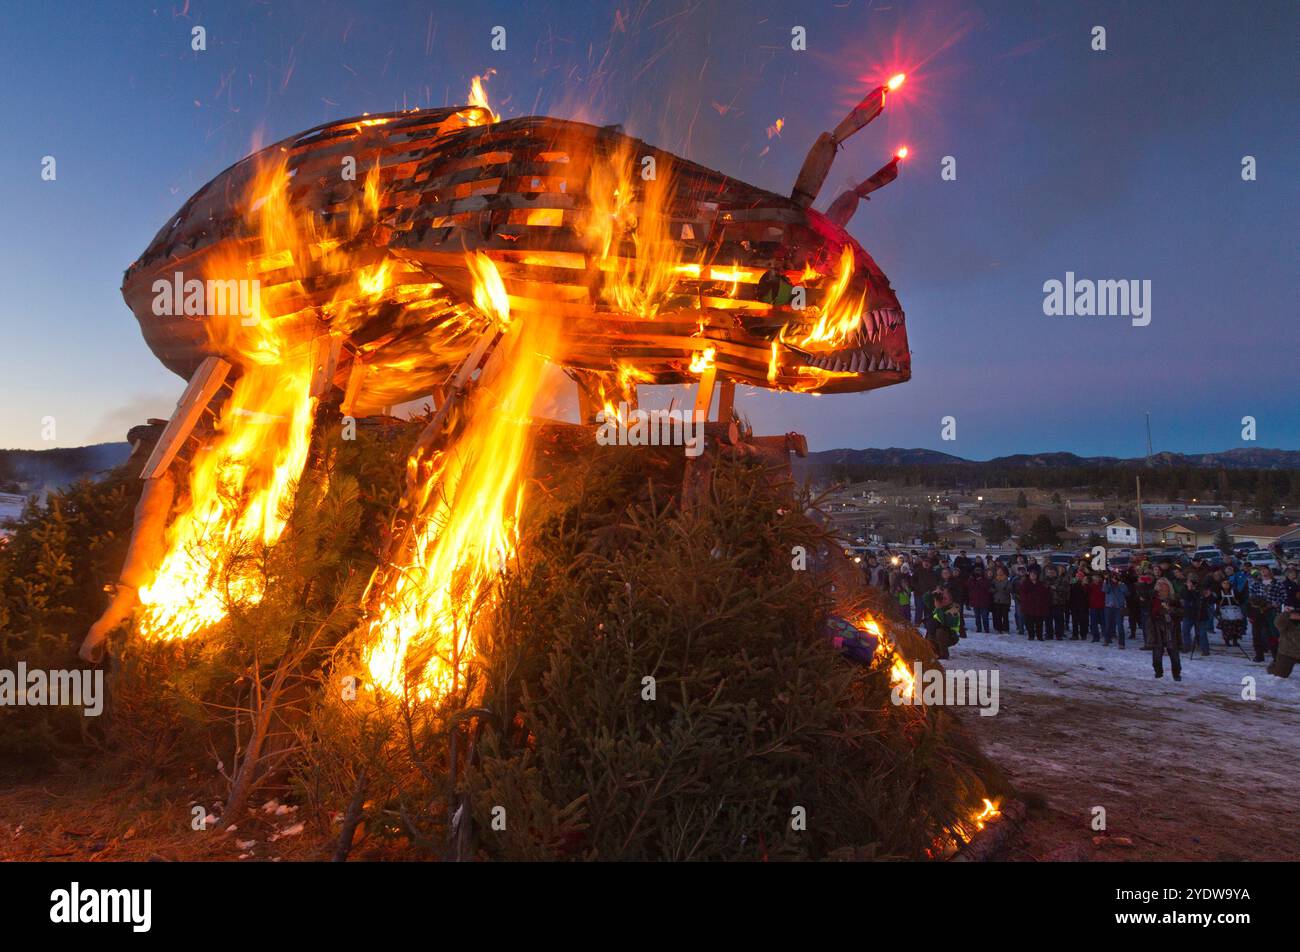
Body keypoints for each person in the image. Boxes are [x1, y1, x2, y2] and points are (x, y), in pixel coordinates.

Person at [1149, 578, 1183, 681]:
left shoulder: (1174, 599)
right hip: (1156, 628)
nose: (1161, 588)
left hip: (1171, 628)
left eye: (1164, 586)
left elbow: (1181, 612)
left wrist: (1170, 609)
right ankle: (1158, 672)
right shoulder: (1153, 598)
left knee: (1174, 653)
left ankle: (1176, 674)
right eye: (1159, 586)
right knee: (1157, 652)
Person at [924, 586, 961, 660]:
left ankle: (944, 655)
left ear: (951, 598)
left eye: (945, 597)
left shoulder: (954, 609)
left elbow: (946, 622)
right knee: (930, 633)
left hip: (950, 636)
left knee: (940, 631)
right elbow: (925, 599)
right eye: (942, 595)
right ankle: (935, 651)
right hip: (934, 634)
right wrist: (932, 593)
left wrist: (938, 608)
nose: (942, 597)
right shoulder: (939, 604)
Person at [1268, 602, 1300, 679]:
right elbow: (1277, 622)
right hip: (1287, 652)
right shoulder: (1286, 621)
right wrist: (1287, 613)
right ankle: (1275, 665)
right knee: (1279, 675)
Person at [1020, 566, 1051, 642]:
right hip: (1028, 606)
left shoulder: (1041, 584)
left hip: (1039, 606)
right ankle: (1031, 635)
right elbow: (1022, 594)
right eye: (1032, 574)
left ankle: (1039, 635)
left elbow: (1045, 593)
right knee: (1029, 622)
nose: (1033, 576)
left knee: (1039, 622)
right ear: (1029, 575)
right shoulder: (1025, 583)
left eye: (1034, 574)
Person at [1215, 576, 1246, 647]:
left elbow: (1241, 599)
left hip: (1235, 611)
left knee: (1236, 627)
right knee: (1226, 628)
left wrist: (1237, 600)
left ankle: (1235, 641)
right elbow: (1216, 601)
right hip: (1224, 611)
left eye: (1227, 583)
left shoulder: (1234, 591)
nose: (1226, 585)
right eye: (1224, 583)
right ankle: (1227, 641)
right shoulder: (1218, 592)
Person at [1102, 571, 1128, 647]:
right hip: (1108, 606)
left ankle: (1121, 643)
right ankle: (1107, 640)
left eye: (1115, 577)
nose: (1114, 578)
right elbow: (1105, 590)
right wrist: (1107, 581)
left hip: (1119, 607)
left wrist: (1120, 584)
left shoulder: (1121, 584)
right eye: (1112, 577)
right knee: (1107, 624)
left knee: (1120, 625)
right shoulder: (1107, 583)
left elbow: (1126, 592)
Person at [967, 566, 992, 633]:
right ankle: (979, 629)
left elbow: (986, 586)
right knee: (977, 617)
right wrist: (972, 579)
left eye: (979, 571)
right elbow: (969, 586)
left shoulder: (985, 579)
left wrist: (980, 580)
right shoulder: (971, 579)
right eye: (976, 570)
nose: (978, 572)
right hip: (975, 601)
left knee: (985, 617)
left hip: (984, 601)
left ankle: (986, 629)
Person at [1048, 566, 1070, 640]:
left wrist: (1056, 588)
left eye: (1052, 572)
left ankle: (1059, 635)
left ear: (1056, 573)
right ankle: (1049, 635)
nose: (1051, 574)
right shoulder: (1045, 580)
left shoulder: (1062, 580)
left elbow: (1066, 589)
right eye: (1049, 572)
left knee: (1059, 620)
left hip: (1058, 603)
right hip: (1048, 603)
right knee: (1048, 620)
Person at [991, 566, 1013, 634]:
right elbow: (990, 588)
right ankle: (999, 629)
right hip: (996, 600)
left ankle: (1006, 629)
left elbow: (1010, 589)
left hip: (1005, 601)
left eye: (1001, 571)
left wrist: (1006, 590)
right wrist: (993, 590)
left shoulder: (1007, 580)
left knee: (1005, 616)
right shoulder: (994, 580)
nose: (1000, 572)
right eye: (998, 571)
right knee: (998, 616)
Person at [1068, 570, 1089, 640]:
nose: (1078, 577)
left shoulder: (1085, 584)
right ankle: (1075, 634)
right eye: (1077, 576)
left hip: (1083, 605)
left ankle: (1083, 634)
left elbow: (1087, 594)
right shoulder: (1073, 583)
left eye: (1079, 576)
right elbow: (1070, 593)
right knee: (1075, 621)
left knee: (1083, 621)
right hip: (1074, 605)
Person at [1086, 573, 1106, 642]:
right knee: (1093, 623)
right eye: (1094, 578)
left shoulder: (1103, 585)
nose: (1095, 579)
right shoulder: (1091, 585)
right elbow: (1086, 592)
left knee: (1104, 622)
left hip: (1102, 606)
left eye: (1097, 578)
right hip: (1093, 606)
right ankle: (1095, 637)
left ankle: (1106, 637)